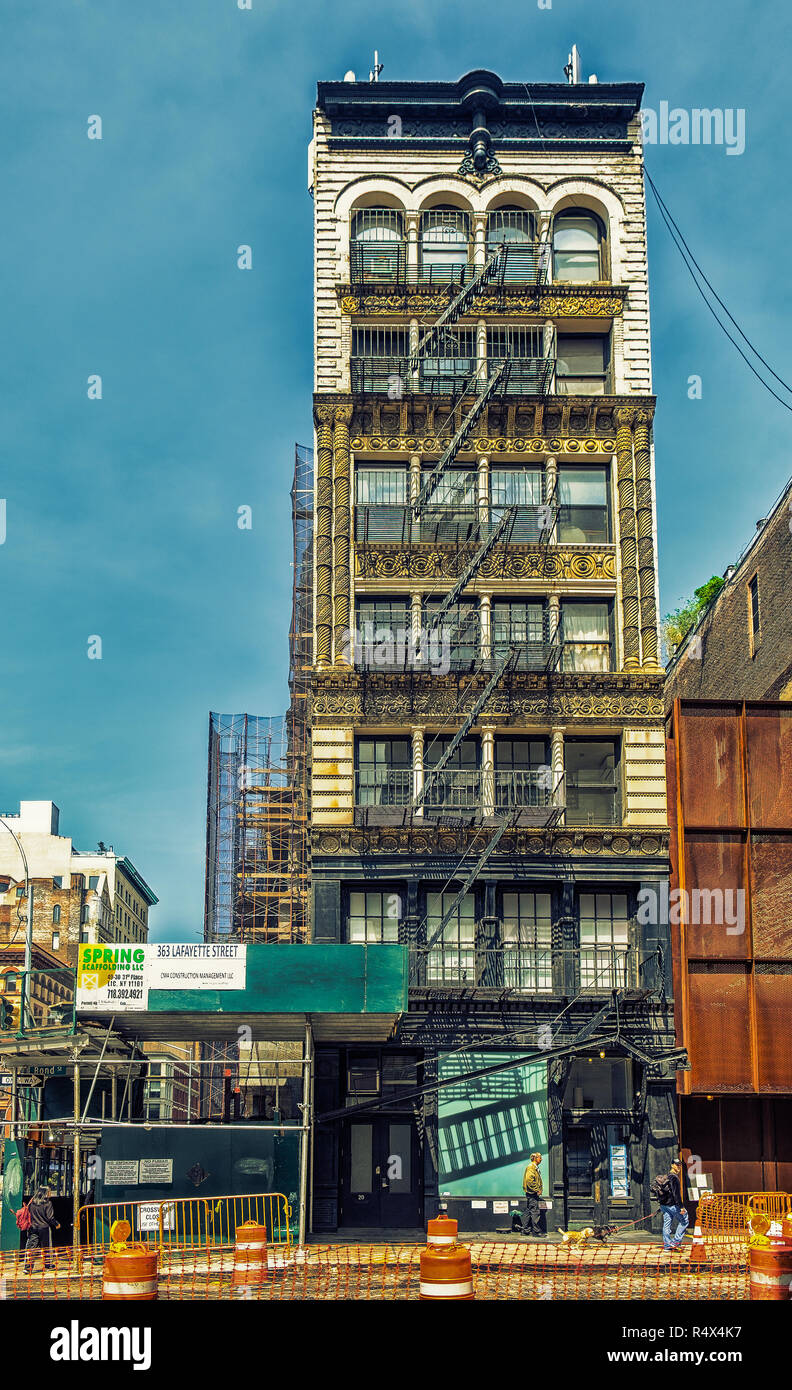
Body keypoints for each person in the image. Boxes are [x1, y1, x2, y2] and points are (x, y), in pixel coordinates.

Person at [23, 1186, 60, 1274]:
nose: (50, 1194)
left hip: (33, 1228)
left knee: (31, 1248)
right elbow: (50, 1217)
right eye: (49, 1192)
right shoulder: (48, 1203)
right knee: (46, 1247)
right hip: (44, 1228)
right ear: (45, 1193)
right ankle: (48, 1265)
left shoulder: (32, 1203)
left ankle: (27, 1268)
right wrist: (57, 1224)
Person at [659, 1159, 689, 1252]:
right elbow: (676, 1194)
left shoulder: (666, 1176)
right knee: (685, 1220)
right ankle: (676, 1242)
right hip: (672, 1205)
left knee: (667, 1224)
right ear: (672, 1165)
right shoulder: (674, 1178)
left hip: (664, 1205)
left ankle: (667, 1245)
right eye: (676, 1165)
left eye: (679, 1165)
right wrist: (681, 1207)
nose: (678, 1167)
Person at [521, 1152, 544, 1237]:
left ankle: (525, 1230)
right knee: (535, 1212)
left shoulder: (533, 1167)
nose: (541, 1159)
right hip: (532, 1194)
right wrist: (537, 1190)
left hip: (531, 1194)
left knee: (528, 1212)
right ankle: (536, 1232)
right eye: (540, 1157)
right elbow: (529, 1181)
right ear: (535, 1158)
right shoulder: (531, 1167)